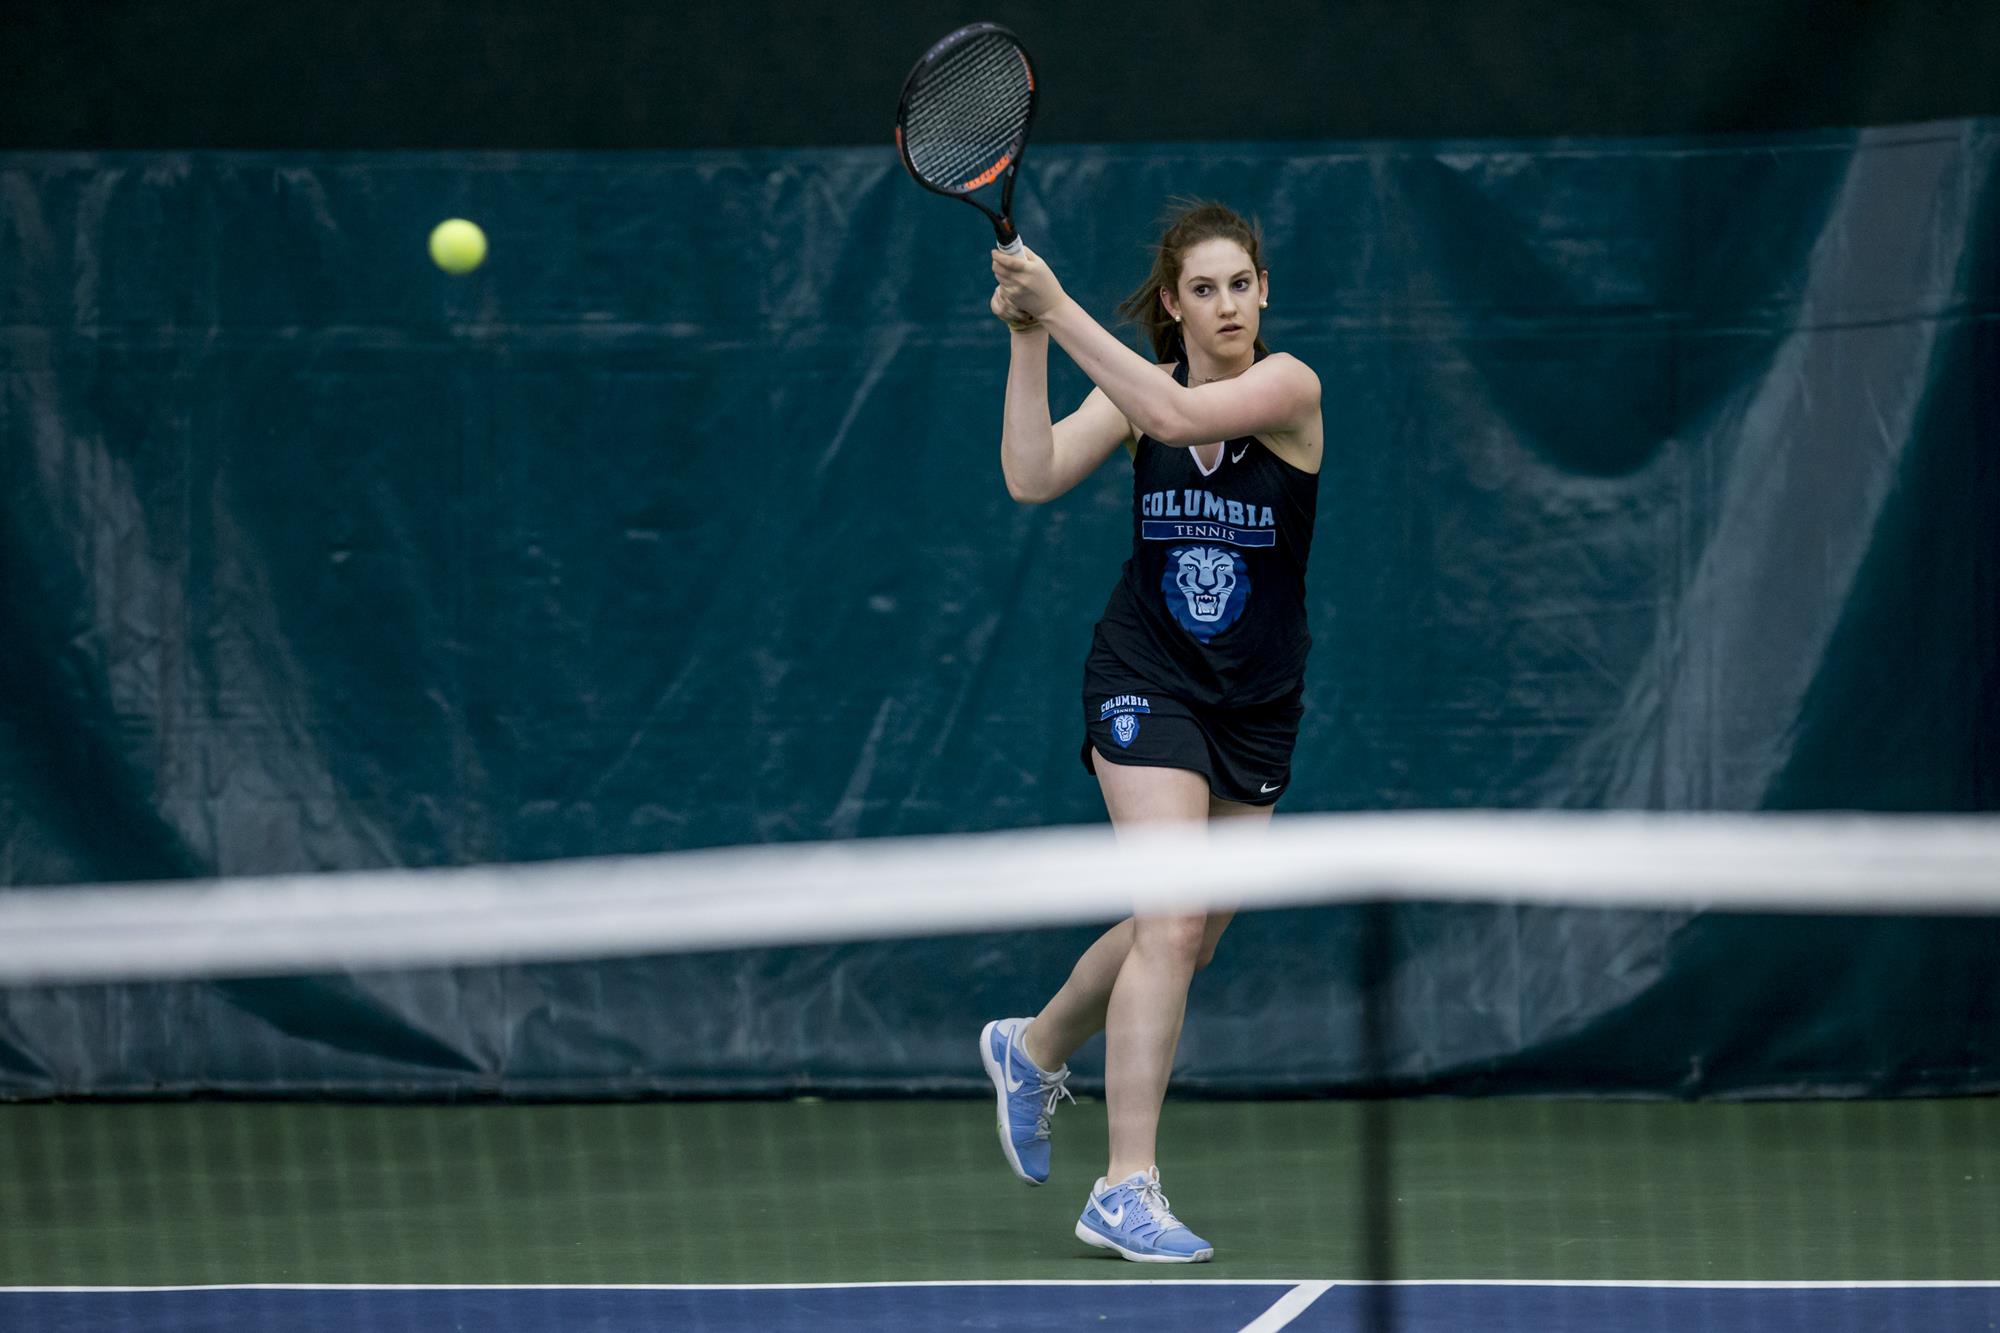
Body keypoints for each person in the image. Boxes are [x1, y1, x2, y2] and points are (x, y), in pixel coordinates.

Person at [977, 200, 1322, 1263]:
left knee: (1186, 933)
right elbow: (1030, 475)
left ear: (1262, 293)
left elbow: (1179, 424)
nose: (1226, 304)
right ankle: (1125, 1183)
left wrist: (1058, 304)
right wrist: (1028, 339)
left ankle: (1030, 1048)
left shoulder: (1289, 390)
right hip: (1144, 677)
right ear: (1173, 305)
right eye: (1203, 288)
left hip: (1255, 699)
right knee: (1168, 918)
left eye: (1241, 284)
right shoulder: (1135, 393)